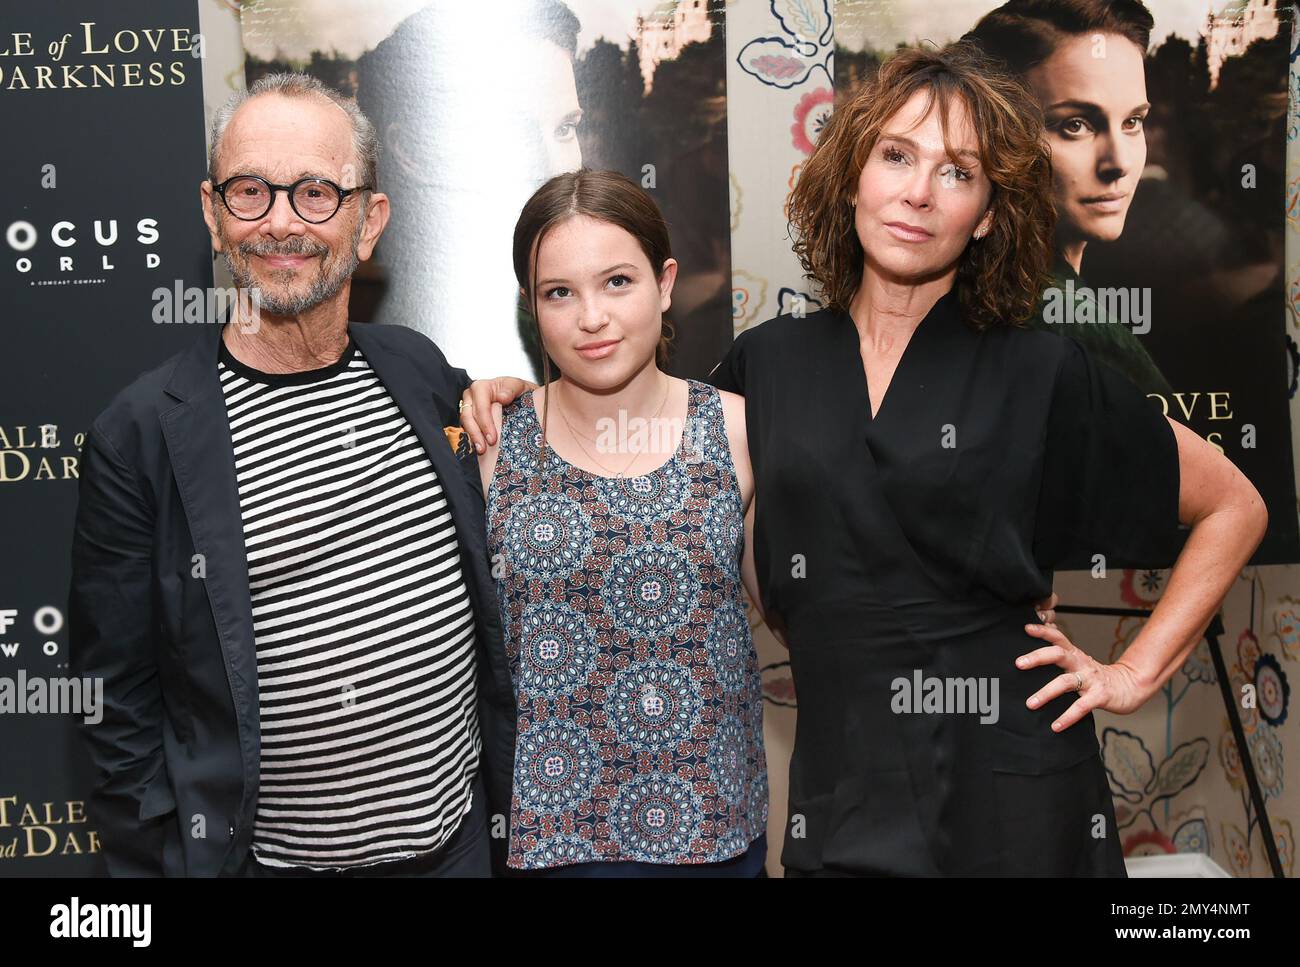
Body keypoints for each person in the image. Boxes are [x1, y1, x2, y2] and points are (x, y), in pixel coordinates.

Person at [462, 43, 1266, 875]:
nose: (919, 191)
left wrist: (1131, 674)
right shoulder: (767, 365)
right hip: (843, 795)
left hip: (1015, 792)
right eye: (896, 155)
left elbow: (1235, 505)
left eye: (958, 172)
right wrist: (514, 397)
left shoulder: (1041, 370)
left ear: (988, 213)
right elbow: (667, 465)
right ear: (853, 177)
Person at [68, 73, 514, 877]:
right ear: (211, 213)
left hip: (462, 851)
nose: (279, 221)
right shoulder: (140, 436)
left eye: (314, 191)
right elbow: (114, 710)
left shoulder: (418, 371)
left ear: (367, 220)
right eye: (250, 191)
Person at [478, 169, 768, 874]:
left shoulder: (738, 431)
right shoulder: (490, 446)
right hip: (545, 842)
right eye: (559, 292)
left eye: (617, 282)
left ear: (664, 283)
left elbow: (802, 610)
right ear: (531, 306)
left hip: (715, 835)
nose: (592, 317)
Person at [966, 0, 1171, 396]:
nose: (1120, 163)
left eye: (1133, 122)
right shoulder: (1065, 323)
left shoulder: (1004, 285)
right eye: (1075, 125)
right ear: (997, 135)